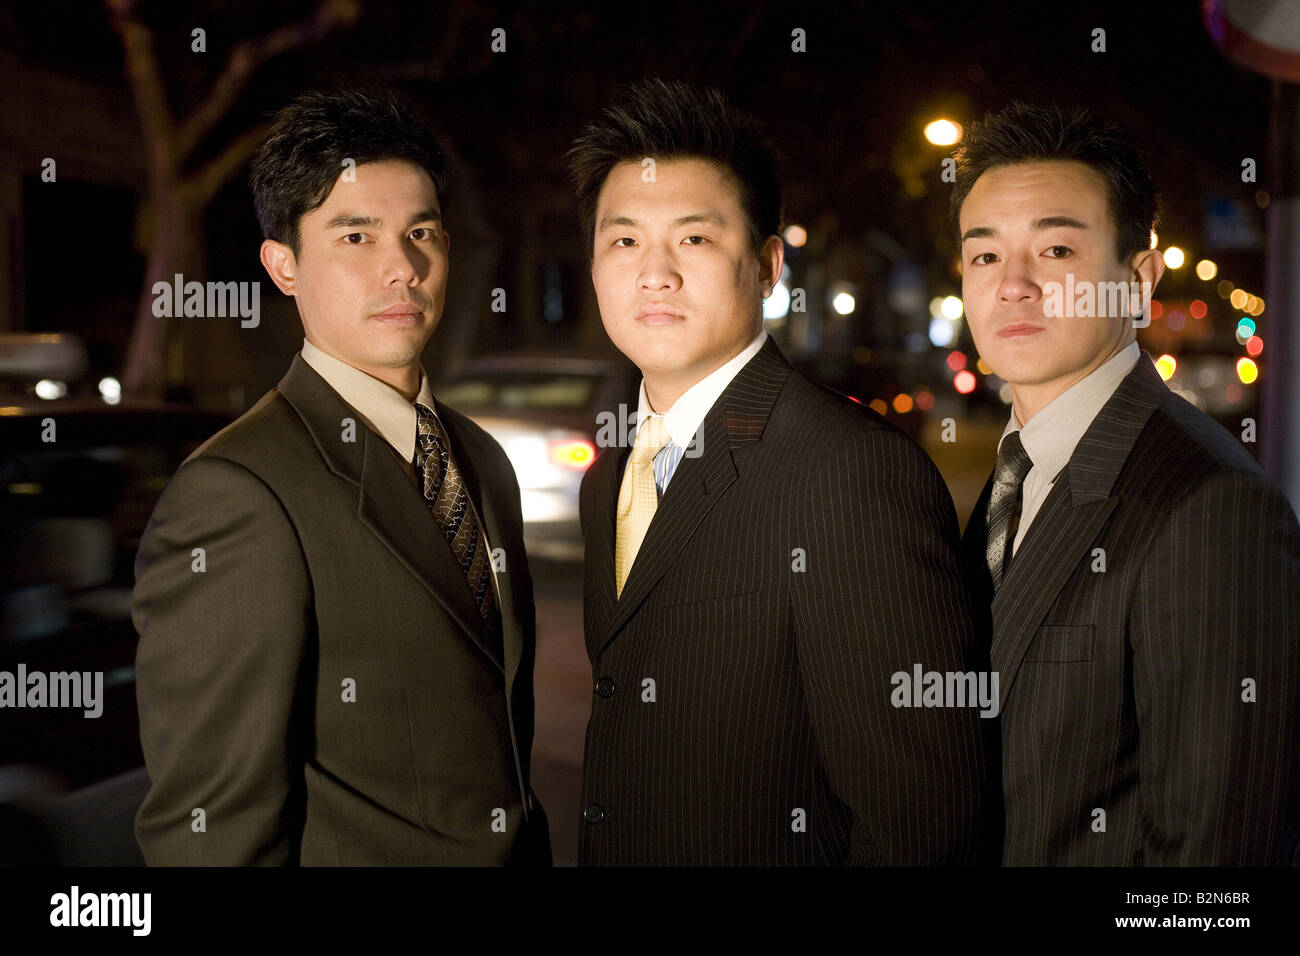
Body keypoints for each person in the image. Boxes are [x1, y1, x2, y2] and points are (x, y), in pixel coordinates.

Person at [567, 78, 987, 865]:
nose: (653, 272)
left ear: (765, 266)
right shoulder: (612, 474)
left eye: (693, 239)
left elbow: (923, 822)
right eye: (623, 240)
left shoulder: (851, 474)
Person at [132, 88, 550, 865]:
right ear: (283, 265)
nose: (403, 267)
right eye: (355, 236)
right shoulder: (238, 493)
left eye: (421, 231)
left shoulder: (482, 460)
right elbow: (212, 836)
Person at [954, 101, 1300, 865]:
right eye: (985, 257)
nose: (1013, 286)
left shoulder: (1214, 506)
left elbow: (1216, 870)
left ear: (1137, 279)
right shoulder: (1018, 470)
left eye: (1055, 252)